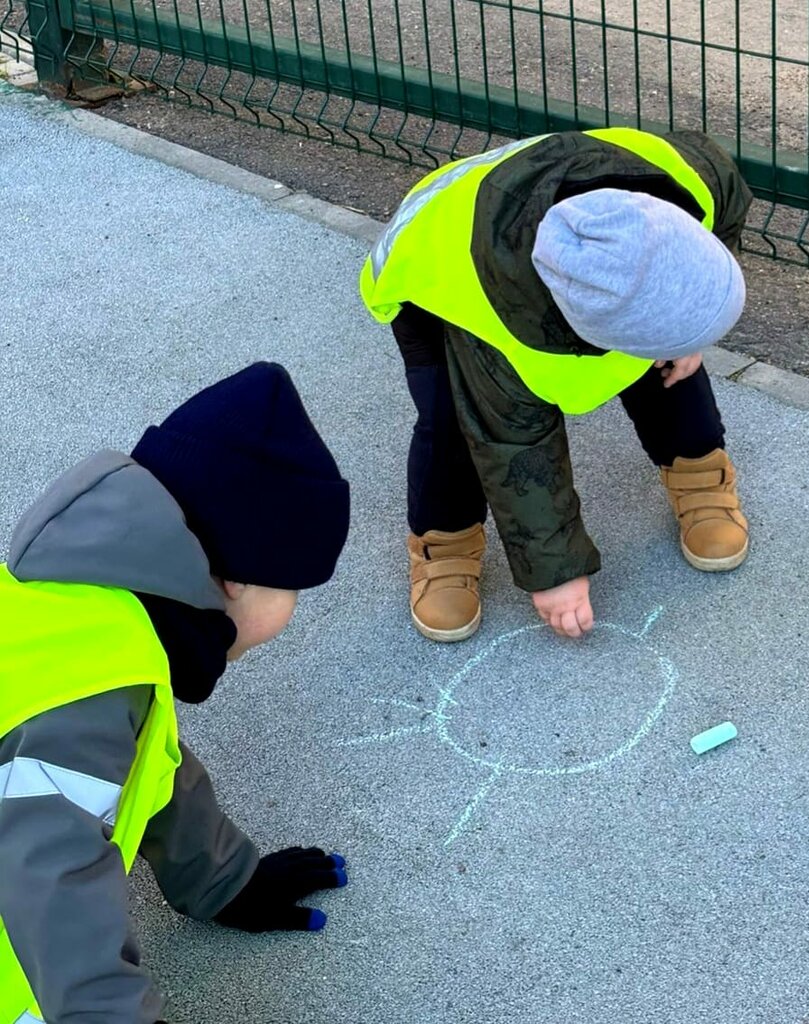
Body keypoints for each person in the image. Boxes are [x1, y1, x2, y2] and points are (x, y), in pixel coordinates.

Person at [0, 362, 351, 1024]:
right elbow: (49, 886)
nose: (291, 613)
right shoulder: (82, 699)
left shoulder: (83, 612)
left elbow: (146, 764)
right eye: (293, 587)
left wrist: (223, 880)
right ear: (235, 582)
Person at [360, 126, 753, 642]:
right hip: (437, 273)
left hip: (540, 201)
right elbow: (516, 444)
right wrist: (556, 573)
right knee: (455, 419)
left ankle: (700, 475)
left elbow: (723, 213)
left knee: (671, 365)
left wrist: (688, 331)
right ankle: (446, 544)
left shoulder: (690, 179)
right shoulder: (498, 321)